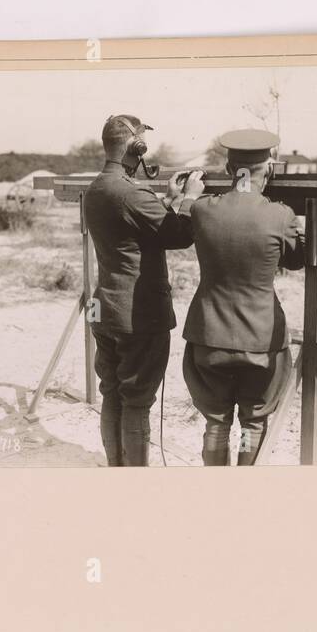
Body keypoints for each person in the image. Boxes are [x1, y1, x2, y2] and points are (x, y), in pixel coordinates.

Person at [176, 129, 305, 465]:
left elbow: (183, 218)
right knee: (253, 422)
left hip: (209, 335)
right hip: (260, 341)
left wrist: (187, 197)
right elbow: (297, 260)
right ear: (270, 170)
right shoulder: (280, 215)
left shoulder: (202, 210)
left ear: (231, 170)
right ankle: (245, 491)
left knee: (216, 423)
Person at [83, 115, 205, 466]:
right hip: (137, 316)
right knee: (136, 400)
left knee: (112, 394)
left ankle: (117, 471)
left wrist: (168, 201)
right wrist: (191, 200)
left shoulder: (97, 188)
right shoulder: (132, 193)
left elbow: (134, 228)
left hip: (104, 309)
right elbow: (179, 236)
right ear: (138, 148)